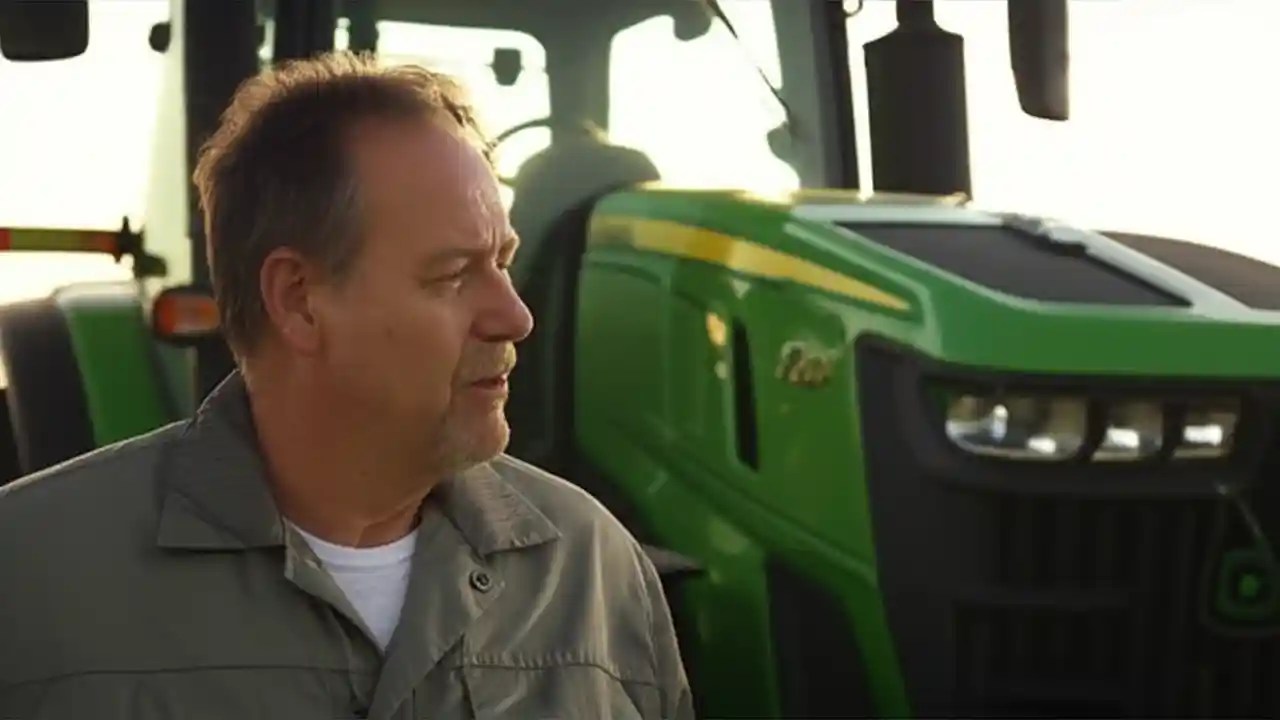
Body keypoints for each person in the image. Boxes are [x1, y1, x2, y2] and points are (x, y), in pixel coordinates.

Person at [0, 51, 693, 720]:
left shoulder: (595, 570)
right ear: (299, 300)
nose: (516, 316)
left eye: (503, 263)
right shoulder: (29, 580)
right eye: (453, 275)